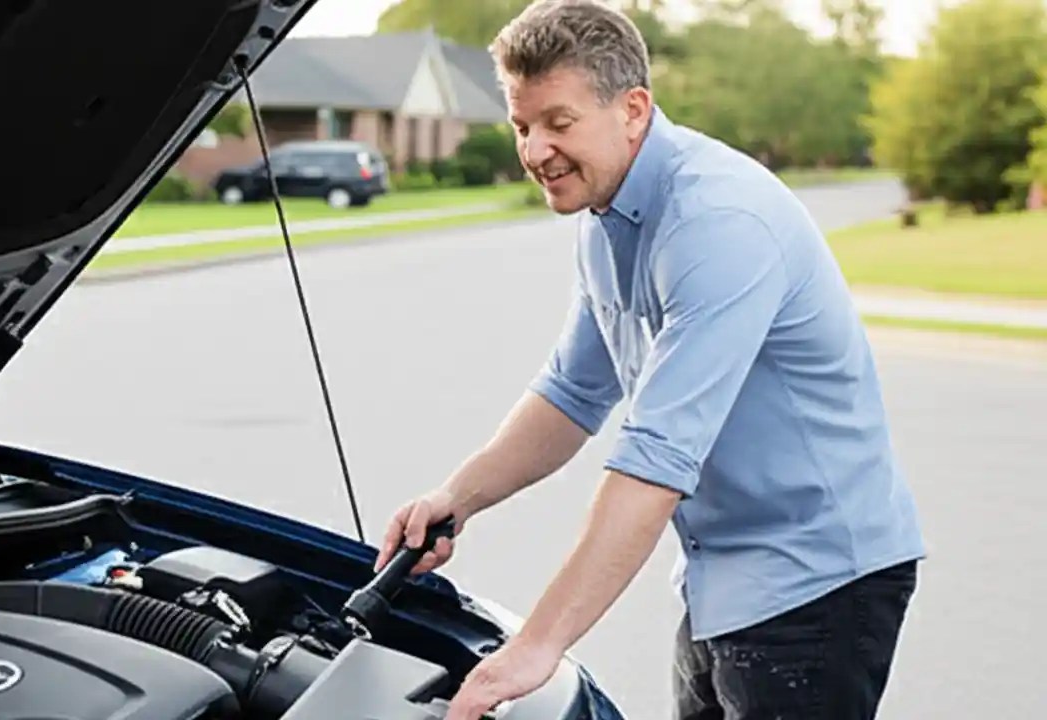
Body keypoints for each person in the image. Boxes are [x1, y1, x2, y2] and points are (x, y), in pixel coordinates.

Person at [372, 1, 927, 718]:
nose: (535, 150)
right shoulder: (606, 216)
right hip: (718, 576)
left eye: (558, 123)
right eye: (521, 126)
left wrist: (536, 646)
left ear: (632, 110)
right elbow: (572, 392)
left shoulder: (718, 224)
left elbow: (656, 458)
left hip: (816, 585)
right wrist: (459, 497)